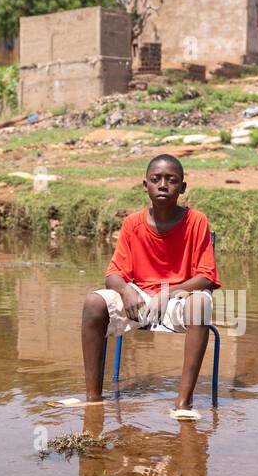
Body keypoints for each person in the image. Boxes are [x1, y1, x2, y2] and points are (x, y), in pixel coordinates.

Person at [80, 154, 218, 414]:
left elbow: (206, 276)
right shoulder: (132, 223)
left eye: (171, 180)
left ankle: (183, 402)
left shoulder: (196, 221)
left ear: (183, 188)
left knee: (200, 302)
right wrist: (125, 290)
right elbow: (113, 274)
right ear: (145, 185)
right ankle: (93, 399)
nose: (163, 185)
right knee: (93, 302)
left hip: (181, 298)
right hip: (140, 300)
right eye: (156, 179)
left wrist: (169, 293)